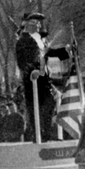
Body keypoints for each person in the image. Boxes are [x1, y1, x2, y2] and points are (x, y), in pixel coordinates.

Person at [15, 12, 55, 142]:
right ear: (29, 24)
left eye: (38, 23)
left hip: (44, 77)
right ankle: (38, 134)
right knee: (34, 107)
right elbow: (23, 62)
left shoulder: (41, 40)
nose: (38, 25)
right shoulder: (23, 41)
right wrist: (33, 71)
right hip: (32, 78)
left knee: (49, 103)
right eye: (36, 23)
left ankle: (46, 133)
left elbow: (45, 57)